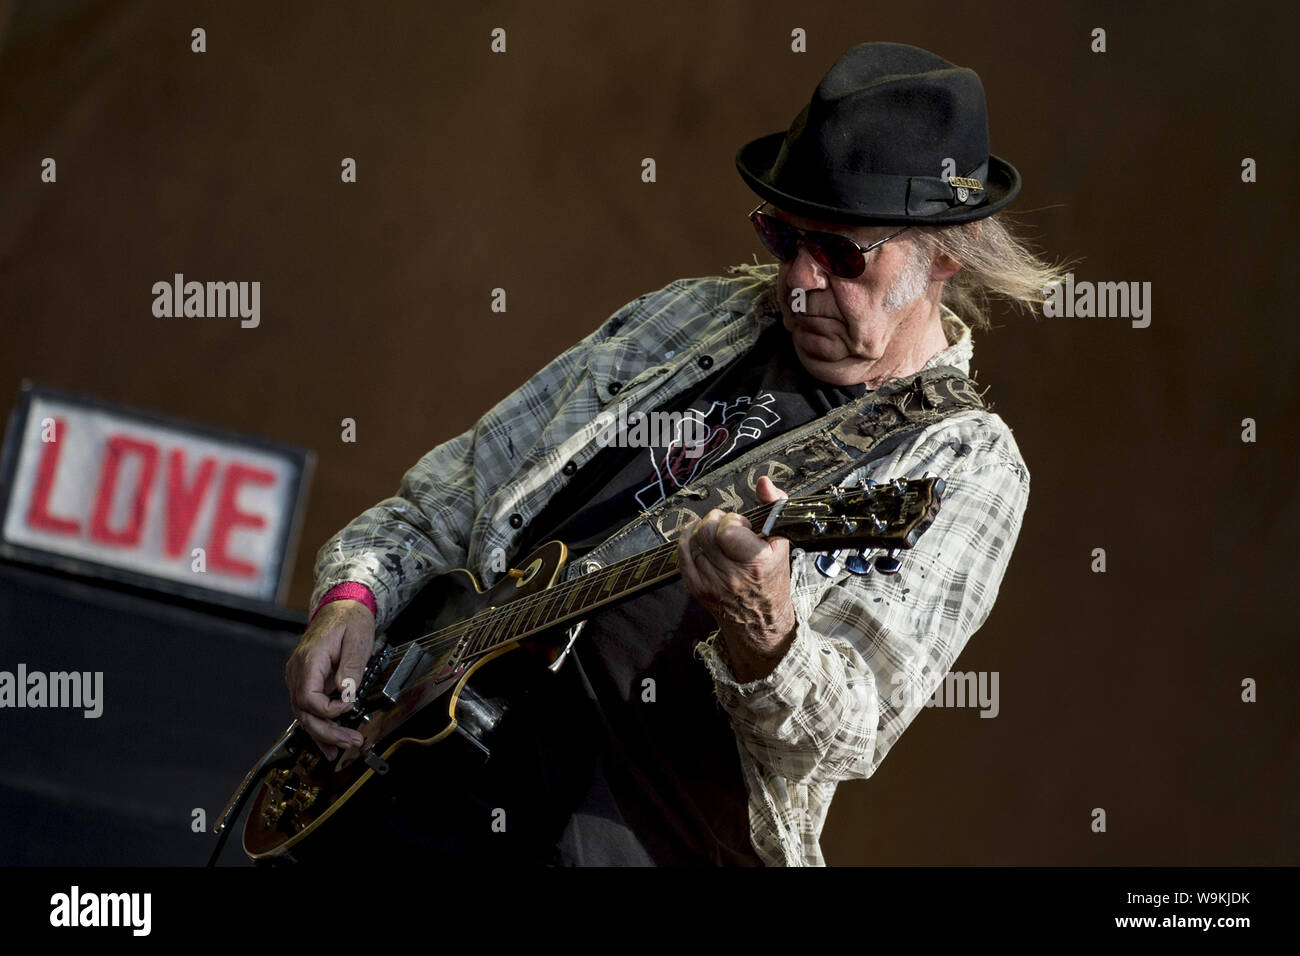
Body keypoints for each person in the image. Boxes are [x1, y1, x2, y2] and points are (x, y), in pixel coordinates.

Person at [285, 41, 1059, 866]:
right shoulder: (686, 317)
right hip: (409, 785)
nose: (798, 280)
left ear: (948, 252)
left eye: (839, 254)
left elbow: (847, 731)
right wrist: (355, 596)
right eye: (782, 235)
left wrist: (768, 632)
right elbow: (457, 489)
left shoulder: (963, 462)